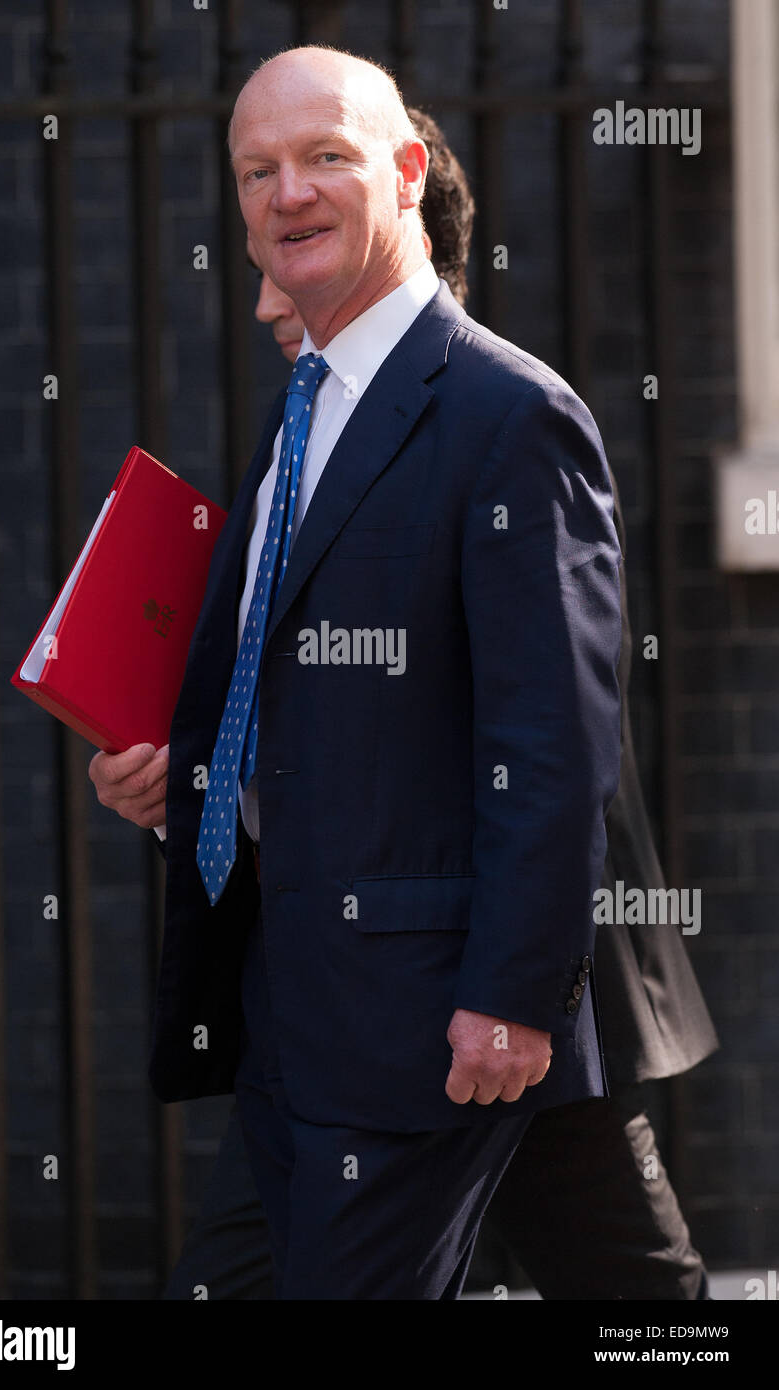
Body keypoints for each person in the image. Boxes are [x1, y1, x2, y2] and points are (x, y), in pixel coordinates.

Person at [147, 107, 719, 1302]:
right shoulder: (298, 430)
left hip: (474, 988)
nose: (272, 283)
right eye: (260, 178)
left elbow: (552, 738)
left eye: (327, 165)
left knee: (627, 1284)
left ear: (409, 196)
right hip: (339, 994)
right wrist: (198, 783)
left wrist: (511, 991)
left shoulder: (502, 417)